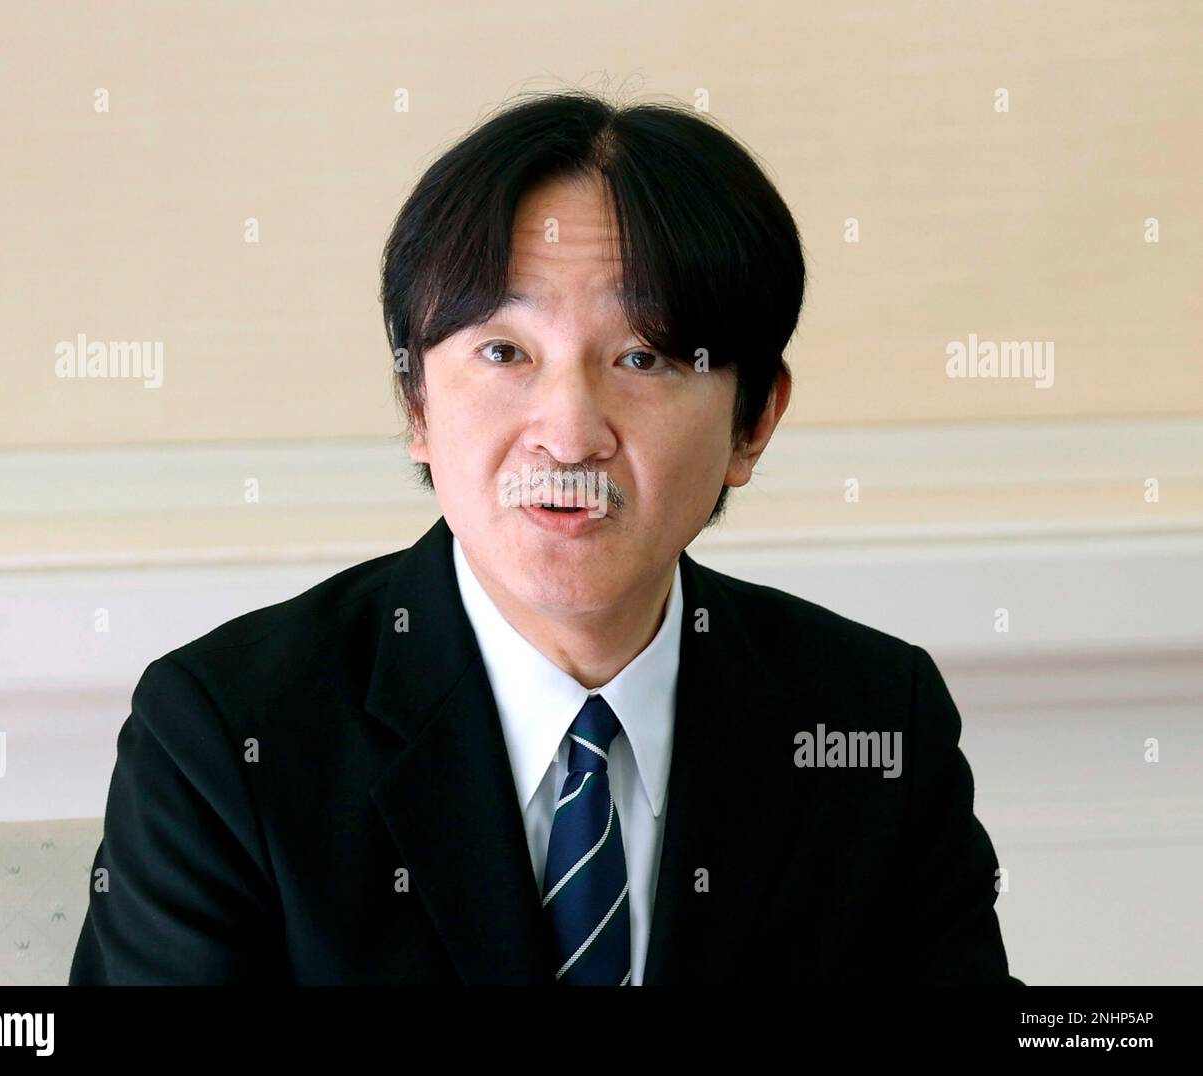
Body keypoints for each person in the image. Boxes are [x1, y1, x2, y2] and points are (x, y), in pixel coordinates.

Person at [69, 90, 1020, 985]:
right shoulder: (227, 734)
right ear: (417, 403)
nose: (568, 433)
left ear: (753, 424)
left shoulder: (870, 721)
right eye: (505, 352)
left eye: (642, 357)